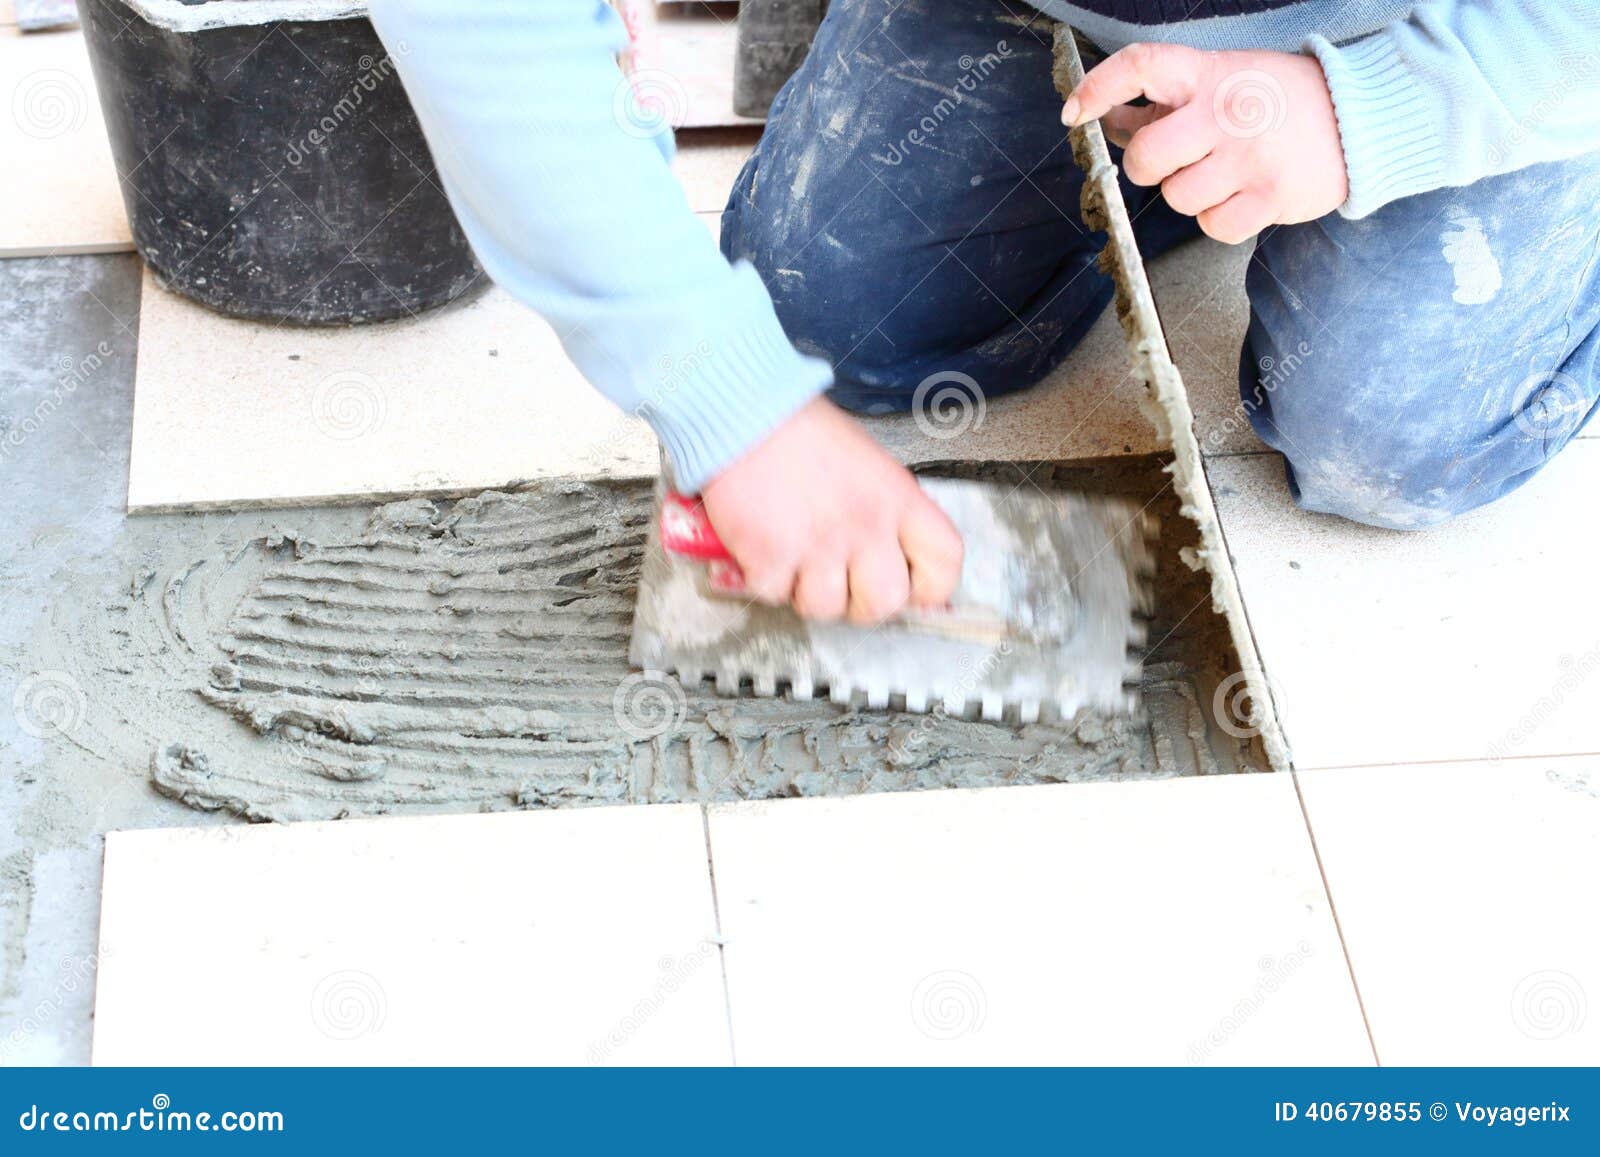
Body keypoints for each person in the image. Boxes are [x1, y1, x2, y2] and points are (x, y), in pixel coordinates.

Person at [370, 0, 1600, 627]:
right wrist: (727, 397)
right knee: (818, 312)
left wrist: (1388, 110)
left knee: (1381, 441)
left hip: (1479, 31)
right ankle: (1172, 153)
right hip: (1052, 16)